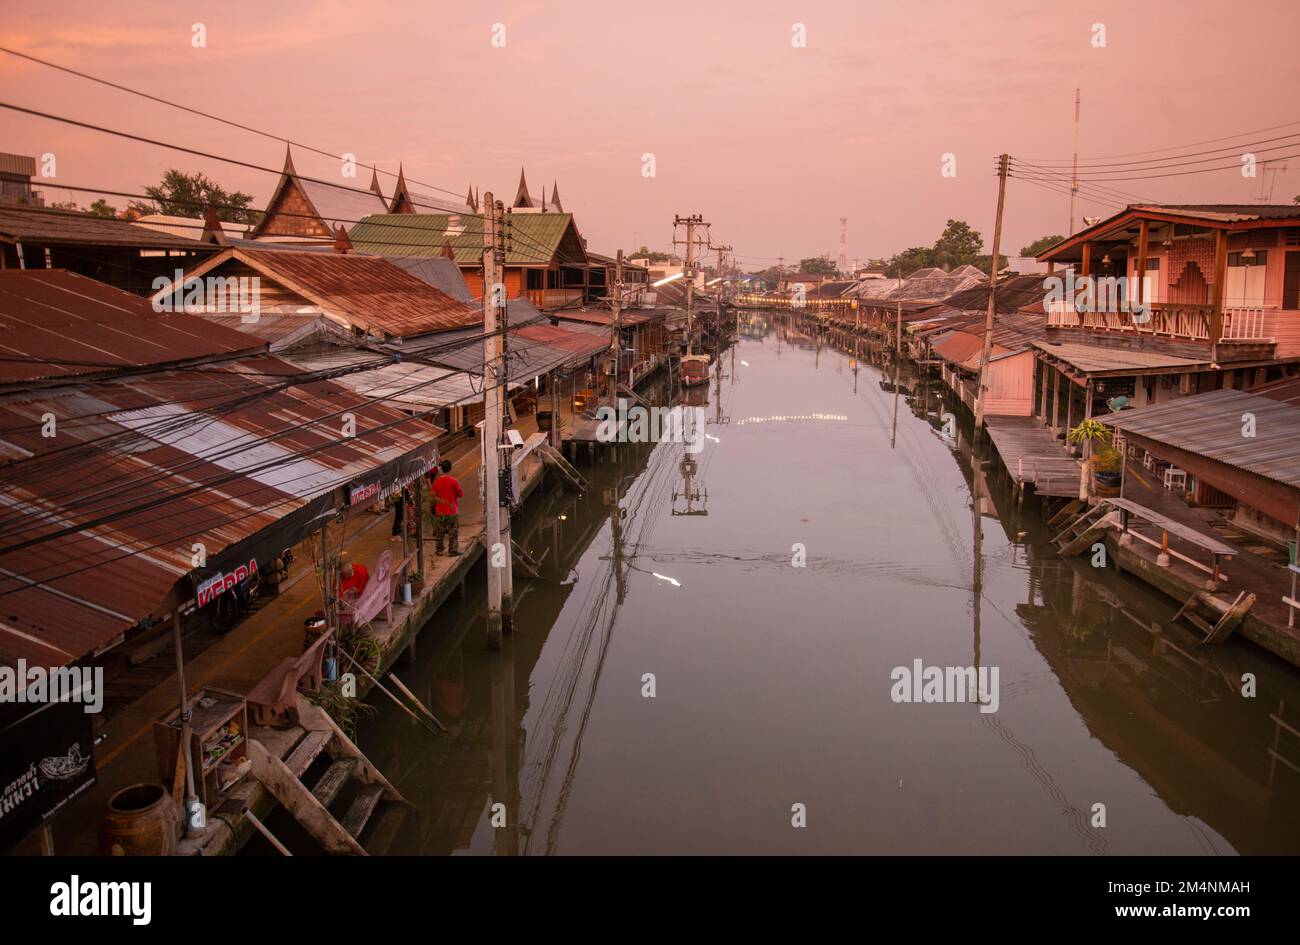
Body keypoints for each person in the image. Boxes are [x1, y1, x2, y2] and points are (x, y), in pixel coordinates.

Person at [430, 459, 463, 555]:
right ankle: (452, 550)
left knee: (440, 531)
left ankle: (439, 550)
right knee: (453, 532)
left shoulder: (436, 482)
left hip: (439, 511)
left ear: (441, 469)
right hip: (452, 511)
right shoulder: (454, 481)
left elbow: (432, 495)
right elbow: (460, 494)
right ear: (450, 469)